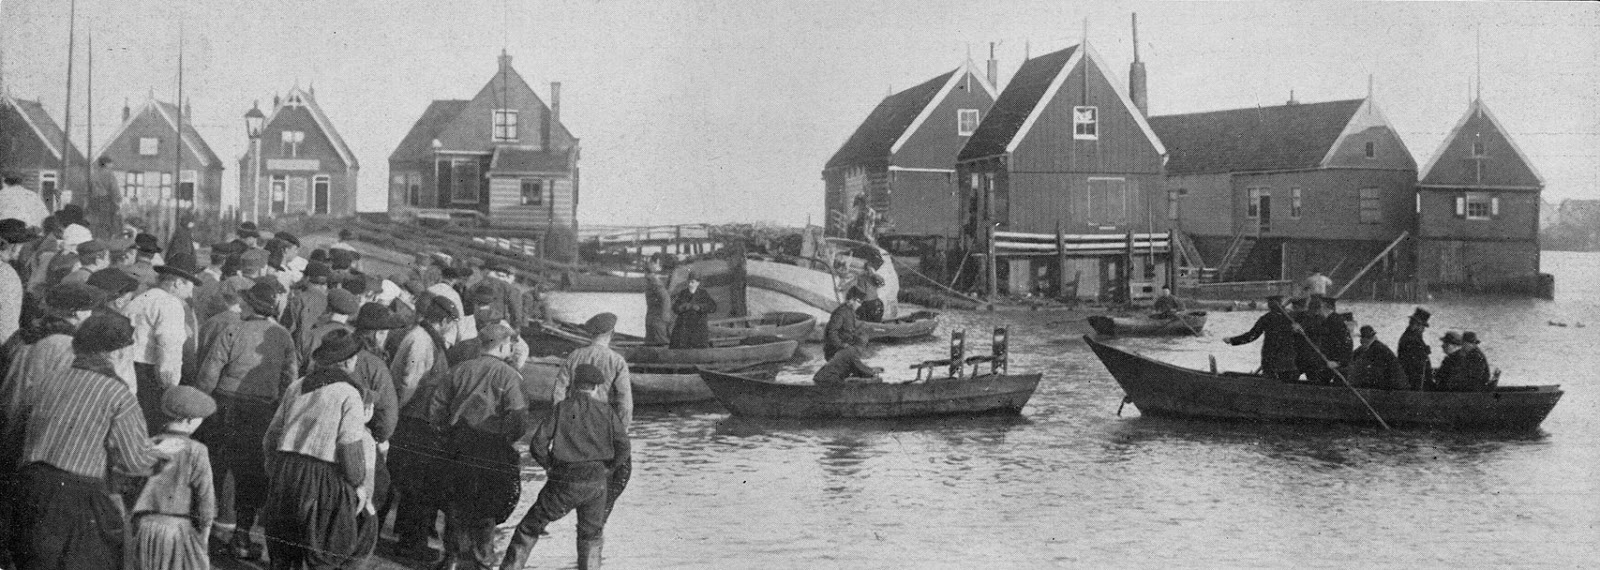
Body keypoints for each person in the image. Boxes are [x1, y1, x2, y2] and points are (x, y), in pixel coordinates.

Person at [8, 312, 180, 570]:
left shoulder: (48, 380)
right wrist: (162, 455)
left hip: (31, 487)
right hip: (79, 500)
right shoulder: (117, 395)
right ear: (118, 353)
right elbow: (134, 462)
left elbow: (17, 430)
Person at [192, 281, 299, 560]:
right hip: (261, 412)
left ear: (251, 306)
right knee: (251, 473)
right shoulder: (283, 335)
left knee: (216, 464)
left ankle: (204, 529)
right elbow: (290, 377)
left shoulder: (234, 329)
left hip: (224, 406)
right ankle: (242, 534)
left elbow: (208, 375)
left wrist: (199, 406)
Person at [260, 332, 374, 569]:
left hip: (286, 470)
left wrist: (274, 468)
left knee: (284, 547)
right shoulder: (349, 394)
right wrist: (358, 485)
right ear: (348, 361)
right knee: (322, 548)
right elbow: (349, 449)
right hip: (322, 477)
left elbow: (271, 435)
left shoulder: (297, 386)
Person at [501, 363, 630, 570]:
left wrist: (549, 465)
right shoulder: (606, 411)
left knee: (529, 528)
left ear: (572, 385)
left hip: (564, 480)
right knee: (591, 535)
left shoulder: (561, 408)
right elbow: (624, 447)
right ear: (596, 388)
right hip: (597, 482)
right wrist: (609, 468)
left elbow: (537, 445)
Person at [429, 323, 530, 568]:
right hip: (491, 449)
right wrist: (506, 442)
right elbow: (518, 419)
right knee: (487, 508)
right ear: (504, 345)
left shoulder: (459, 370)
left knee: (456, 504)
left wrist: (444, 434)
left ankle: (451, 559)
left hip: (457, 445)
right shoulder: (509, 375)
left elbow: (437, 408)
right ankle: (482, 560)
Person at [386, 296, 457, 562]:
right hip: (413, 421)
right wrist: (397, 415)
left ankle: (409, 540)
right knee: (414, 486)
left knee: (414, 484)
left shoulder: (427, 338)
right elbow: (408, 383)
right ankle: (408, 546)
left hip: (419, 420)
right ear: (446, 320)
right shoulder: (420, 340)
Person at [129, 386, 217, 570]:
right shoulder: (197, 450)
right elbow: (205, 497)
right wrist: (205, 534)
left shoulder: (148, 444)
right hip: (176, 531)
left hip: (142, 528)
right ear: (189, 420)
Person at [125, 254, 202, 430]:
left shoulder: (140, 299)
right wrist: (170, 388)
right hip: (151, 377)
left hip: (129, 369)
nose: (191, 292)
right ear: (177, 283)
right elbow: (167, 351)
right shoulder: (170, 304)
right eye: (190, 285)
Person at [1225, 295, 1300, 381]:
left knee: (1271, 383)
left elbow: (1252, 336)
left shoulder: (1267, 318)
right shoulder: (1292, 318)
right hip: (1289, 360)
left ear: (1270, 305)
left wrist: (1232, 340)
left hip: (1271, 359)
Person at [1348, 325, 1407, 390]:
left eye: (1363, 338)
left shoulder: (1378, 349)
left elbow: (1377, 372)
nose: (1361, 340)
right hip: (1392, 384)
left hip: (1393, 387)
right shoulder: (1374, 347)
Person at [669, 272, 717, 349]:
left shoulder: (703, 293)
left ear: (698, 283)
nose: (690, 284)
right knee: (680, 345)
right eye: (688, 282)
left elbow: (713, 307)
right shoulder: (683, 293)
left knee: (698, 346)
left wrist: (700, 307)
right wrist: (682, 307)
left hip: (698, 325)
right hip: (684, 326)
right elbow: (675, 308)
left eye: (692, 282)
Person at [824, 288, 867, 360]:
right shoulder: (841, 313)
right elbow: (831, 332)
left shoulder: (851, 311)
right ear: (851, 300)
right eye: (859, 302)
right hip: (835, 352)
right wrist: (842, 345)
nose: (859, 305)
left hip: (845, 349)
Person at [1396, 308, 1433, 390]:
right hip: (1414, 381)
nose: (1423, 329)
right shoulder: (1411, 339)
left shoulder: (1413, 336)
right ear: (1416, 325)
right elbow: (1415, 363)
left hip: (1414, 378)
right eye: (1422, 326)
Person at [812, 345, 883, 385]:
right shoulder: (852, 352)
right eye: (864, 348)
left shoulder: (845, 351)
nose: (863, 351)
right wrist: (873, 371)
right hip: (829, 378)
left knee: (852, 380)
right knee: (851, 382)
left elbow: (857, 368)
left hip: (820, 376)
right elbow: (860, 367)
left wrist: (871, 370)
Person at [642, 255, 673, 346]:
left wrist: (664, 318)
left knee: (659, 341)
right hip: (655, 318)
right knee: (654, 341)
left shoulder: (654, 282)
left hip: (657, 319)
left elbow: (665, 299)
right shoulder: (653, 281)